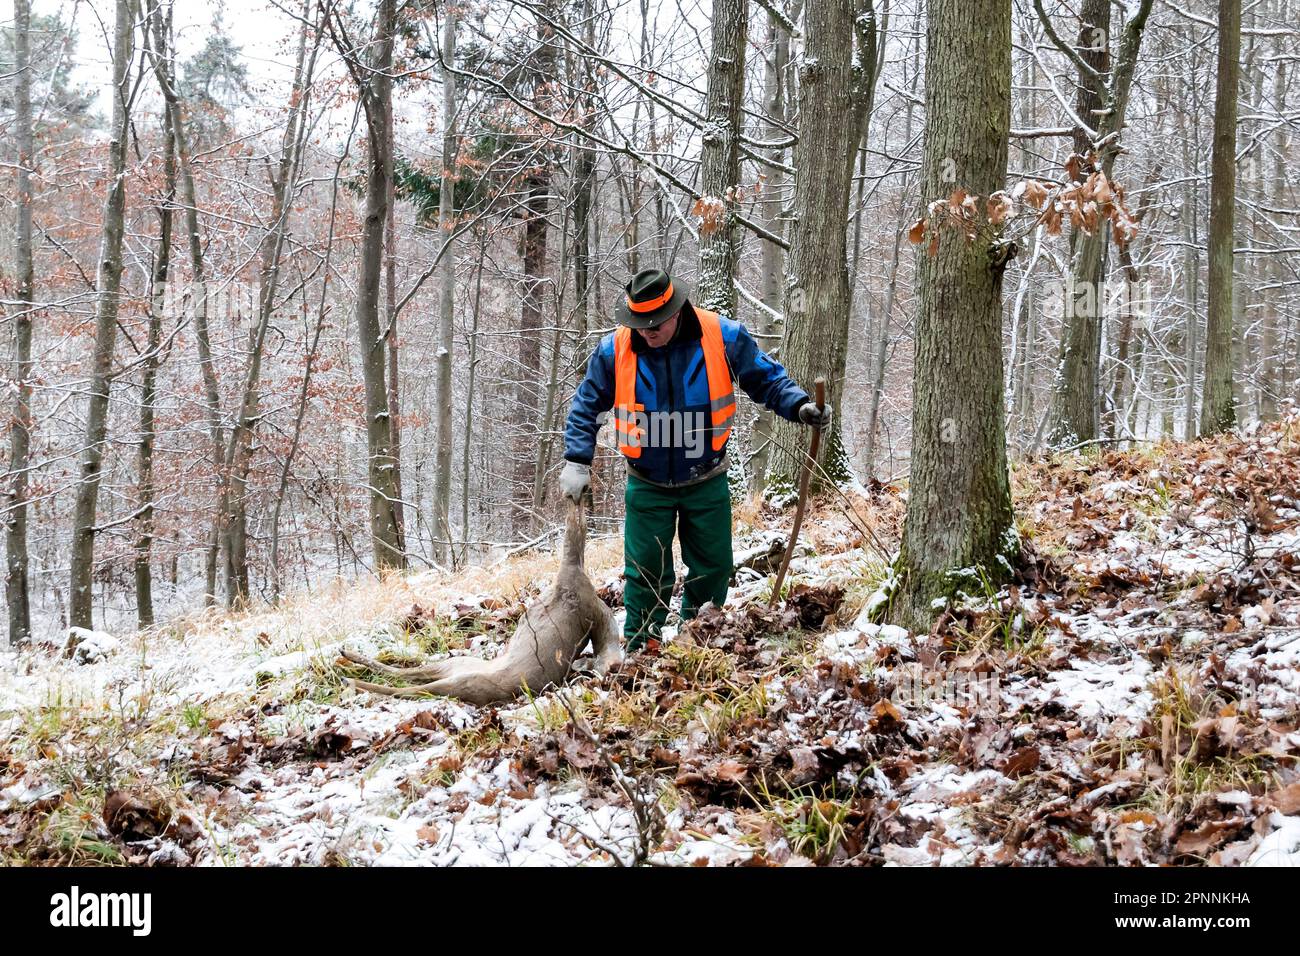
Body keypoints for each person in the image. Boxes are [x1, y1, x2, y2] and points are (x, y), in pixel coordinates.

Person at [560, 268, 832, 650]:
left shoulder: (721, 336)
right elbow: (586, 405)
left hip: (706, 478)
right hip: (647, 481)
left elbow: (766, 379)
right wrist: (576, 460)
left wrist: (799, 405)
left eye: (655, 323)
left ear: (676, 311)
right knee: (645, 574)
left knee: (713, 568)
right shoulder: (614, 350)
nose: (647, 331)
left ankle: (699, 640)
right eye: (640, 323)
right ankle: (642, 647)